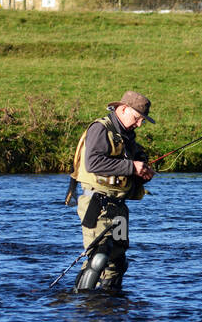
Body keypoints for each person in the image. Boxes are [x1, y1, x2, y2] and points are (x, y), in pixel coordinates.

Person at [66, 91, 156, 291]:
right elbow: (93, 162)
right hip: (97, 205)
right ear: (123, 109)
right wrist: (133, 167)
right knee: (99, 257)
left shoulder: (126, 137)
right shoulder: (100, 129)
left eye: (142, 121)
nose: (139, 125)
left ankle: (111, 306)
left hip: (119, 208)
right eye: (137, 118)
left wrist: (142, 172)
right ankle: (82, 303)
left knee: (117, 261)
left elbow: (123, 168)